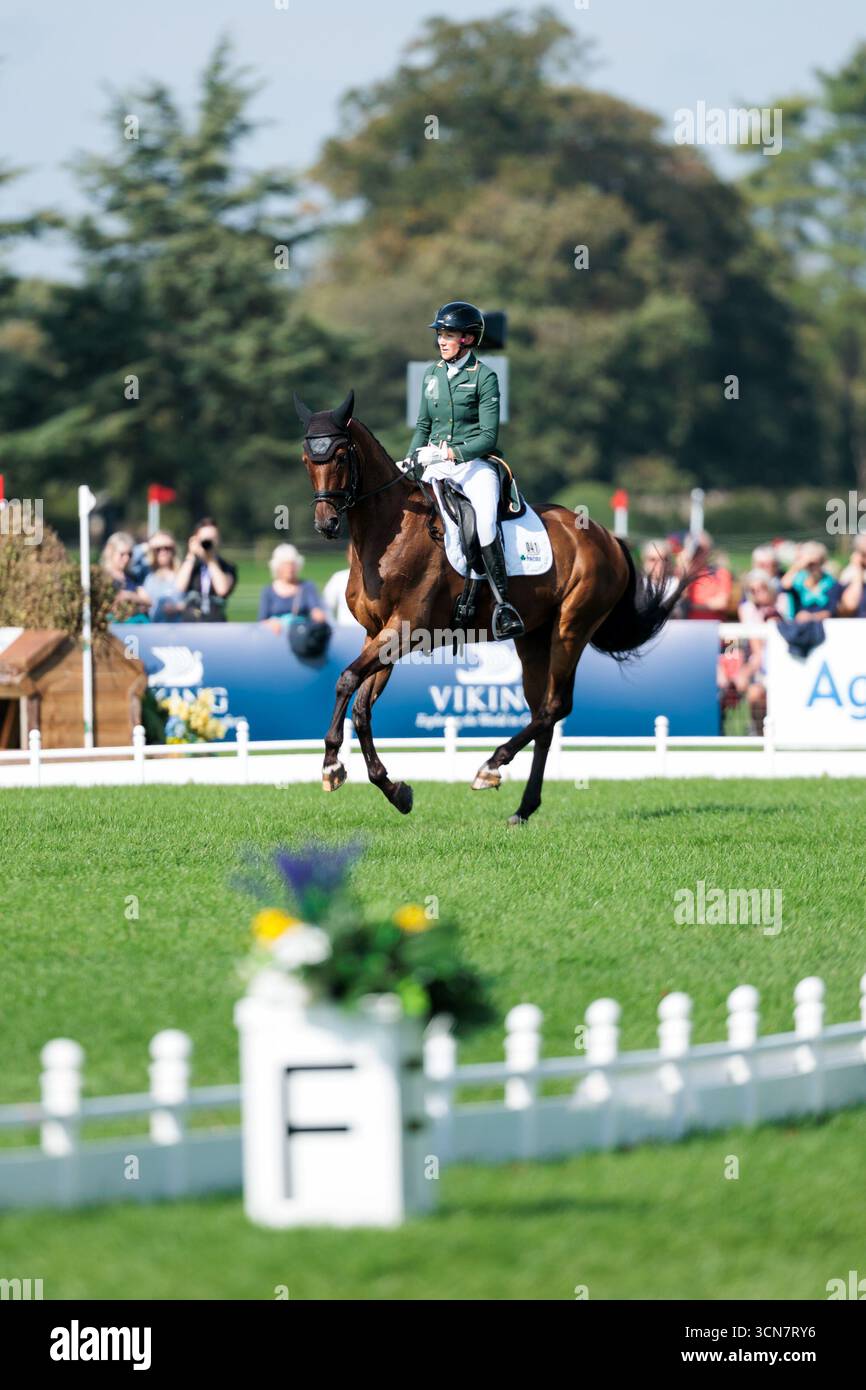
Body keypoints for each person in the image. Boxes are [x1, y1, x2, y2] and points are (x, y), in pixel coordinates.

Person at [402, 300, 523, 640]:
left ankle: (503, 605)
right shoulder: (431, 375)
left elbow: (488, 436)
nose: (441, 340)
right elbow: (423, 426)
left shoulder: (484, 377)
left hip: (474, 466)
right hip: (434, 465)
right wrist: (411, 458)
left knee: (483, 523)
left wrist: (453, 452)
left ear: (468, 339)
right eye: (439, 333)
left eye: (449, 334)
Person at [175, 517, 237, 621]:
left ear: (218, 540)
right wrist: (191, 554)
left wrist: (210, 560)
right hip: (190, 622)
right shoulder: (190, 565)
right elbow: (179, 587)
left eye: (212, 538)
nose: (208, 543)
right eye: (204, 539)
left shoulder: (227, 566)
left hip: (216, 623)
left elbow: (222, 590)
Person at [259, 544, 328, 635]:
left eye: (292, 564)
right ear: (277, 567)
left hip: (303, 636)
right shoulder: (267, 591)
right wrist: (270, 623)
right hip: (275, 636)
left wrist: (318, 615)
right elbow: (262, 620)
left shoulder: (307, 587)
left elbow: (315, 609)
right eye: (286, 565)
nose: (290, 568)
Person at [678, 532, 733, 619]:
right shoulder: (684, 573)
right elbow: (679, 599)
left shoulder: (720, 573)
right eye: (695, 550)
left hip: (712, 626)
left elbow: (721, 603)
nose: (697, 554)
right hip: (688, 626)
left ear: (708, 551)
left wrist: (691, 606)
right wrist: (684, 565)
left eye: (700, 550)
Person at [779, 541, 836, 622]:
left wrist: (811, 617)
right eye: (808, 564)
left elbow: (832, 610)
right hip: (797, 627)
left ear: (822, 562)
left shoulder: (830, 582)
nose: (811, 567)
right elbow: (783, 586)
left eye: (814, 563)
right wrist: (799, 565)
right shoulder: (797, 581)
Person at [100, 532, 150, 618]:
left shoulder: (132, 577)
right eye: (122, 554)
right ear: (110, 551)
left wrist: (129, 596)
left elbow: (148, 601)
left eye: (130, 555)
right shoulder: (102, 577)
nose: (126, 559)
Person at [142, 532, 186, 620]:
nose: (163, 552)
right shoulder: (149, 578)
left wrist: (177, 608)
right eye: (158, 549)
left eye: (167, 548)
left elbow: (192, 602)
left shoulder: (183, 574)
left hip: (178, 629)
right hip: (154, 629)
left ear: (173, 550)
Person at [322, 545, 364, 630]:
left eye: (360, 554)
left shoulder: (379, 580)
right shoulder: (338, 578)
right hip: (346, 631)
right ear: (348, 556)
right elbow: (325, 607)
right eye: (353, 555)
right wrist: (334, 628)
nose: (357, 559)